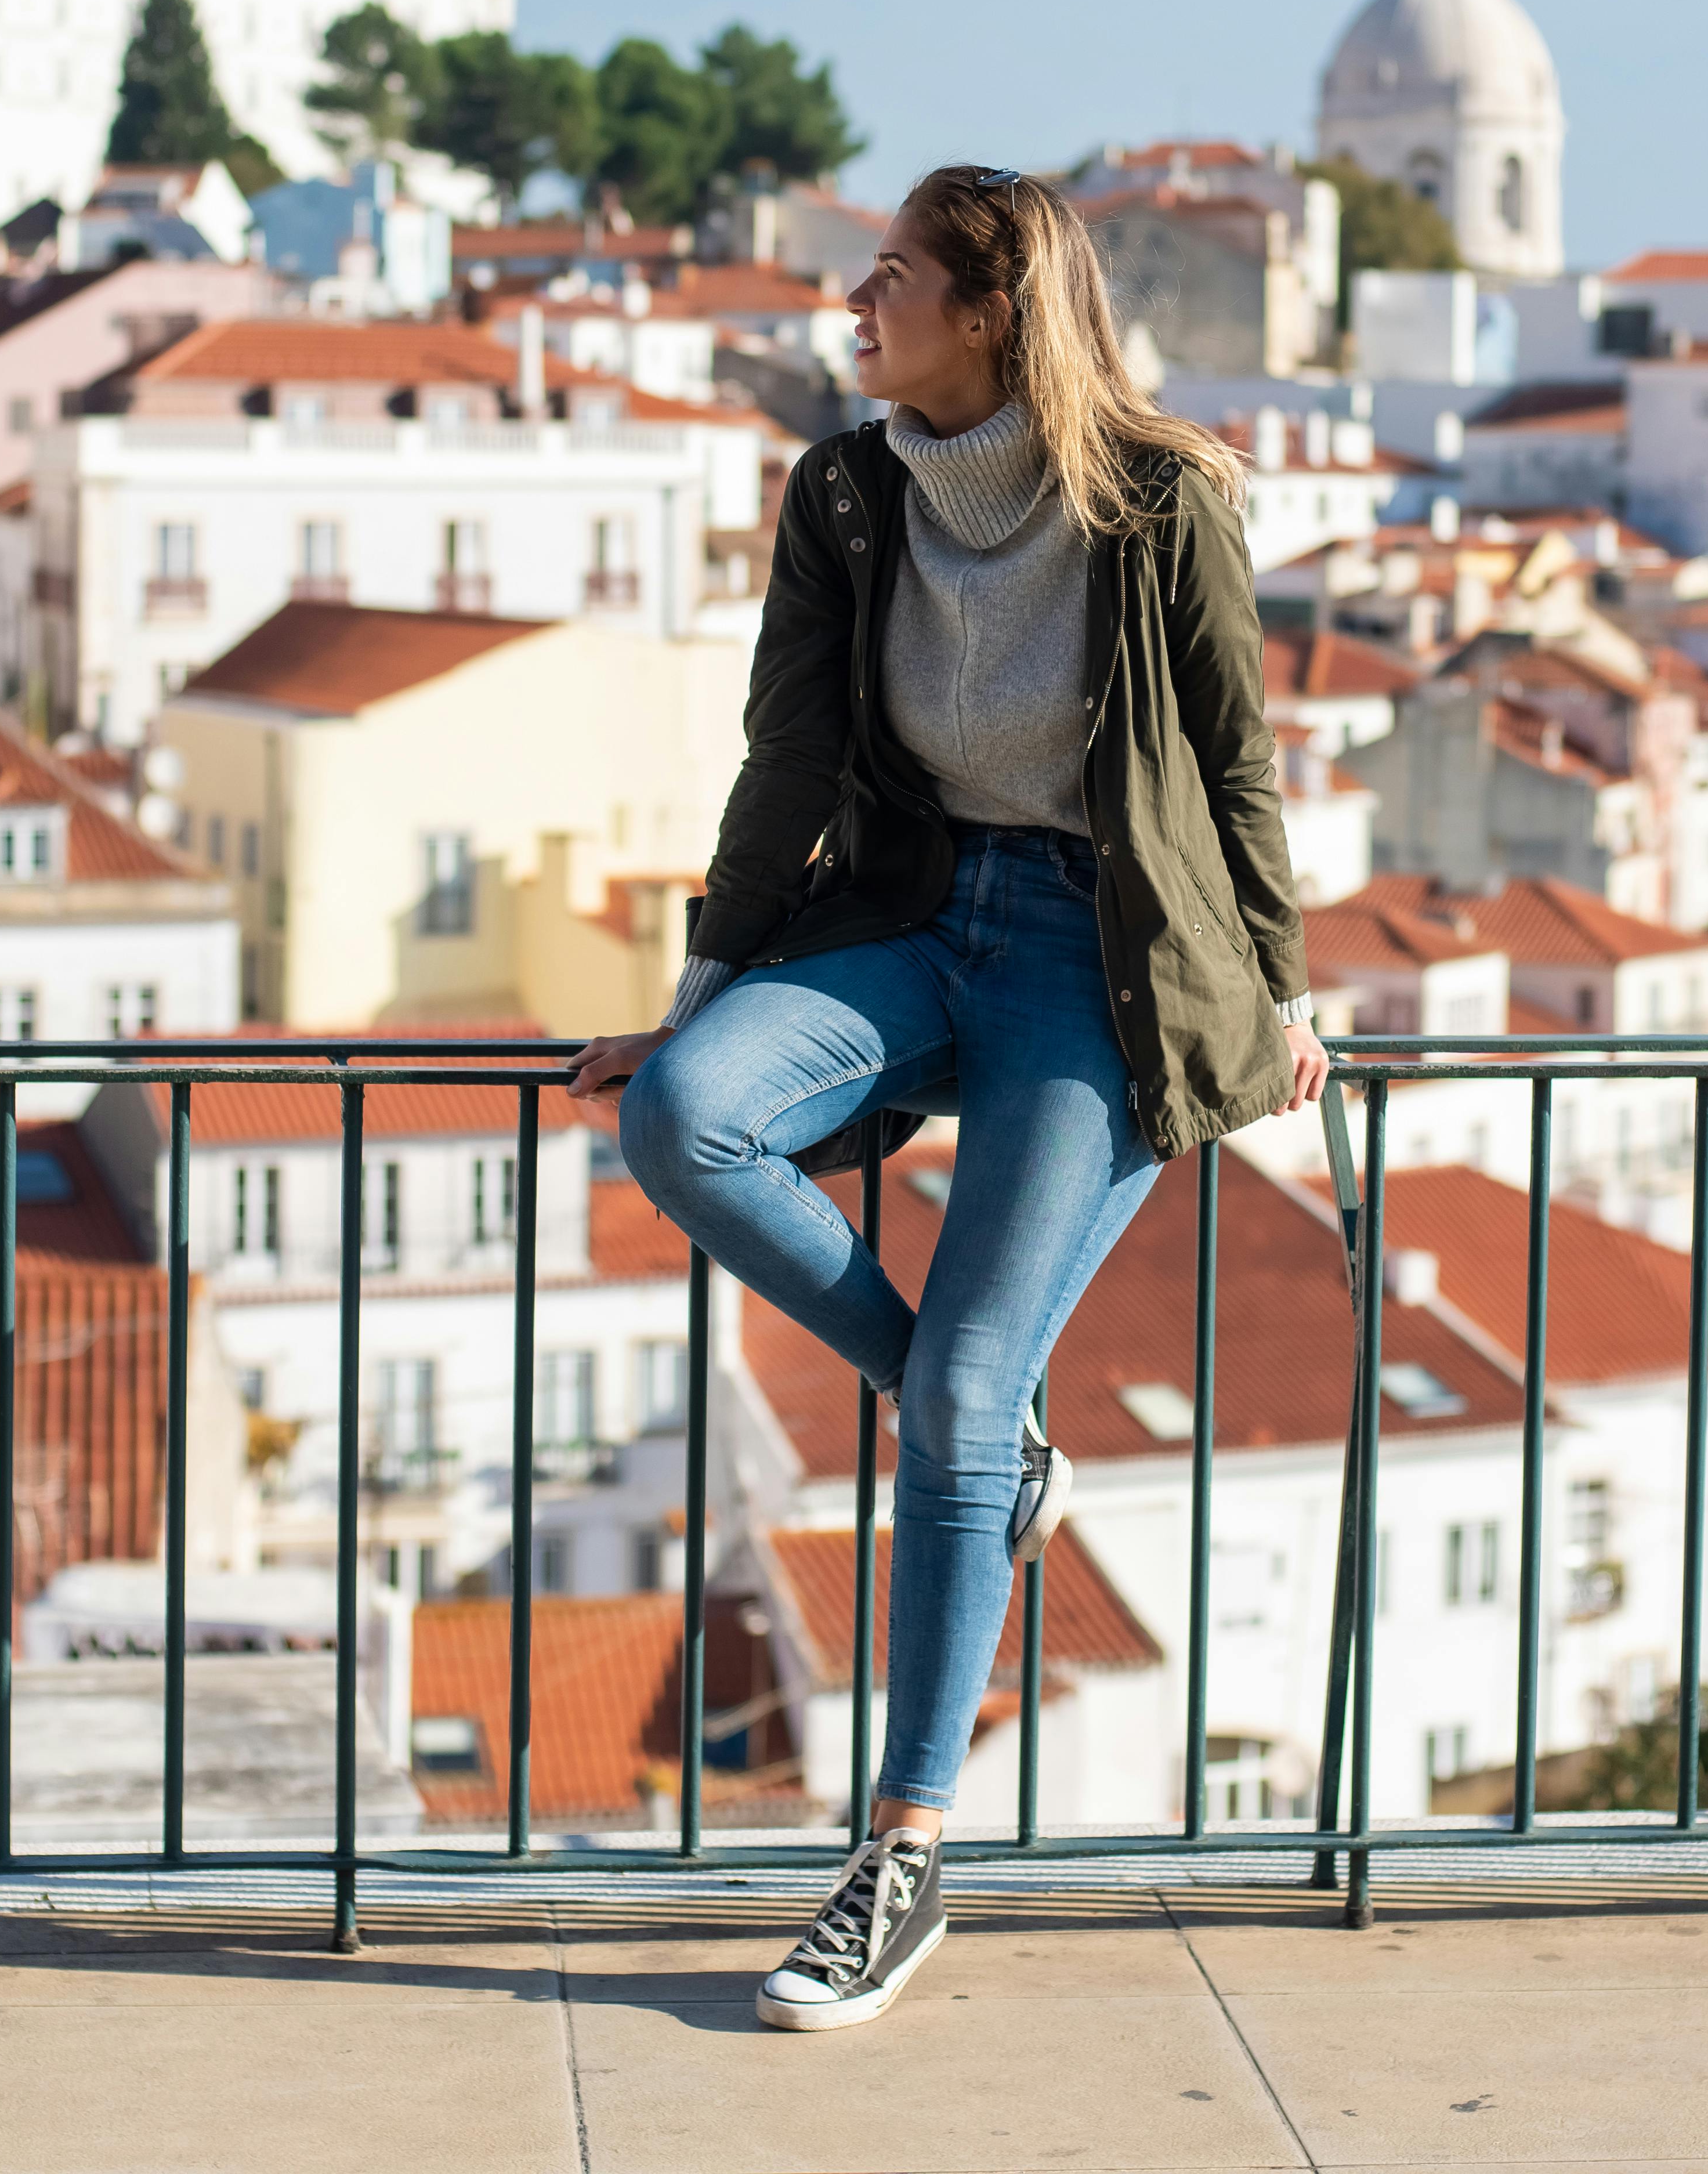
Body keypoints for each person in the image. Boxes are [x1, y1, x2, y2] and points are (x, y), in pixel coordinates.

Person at [570, 164, 1325, 2030]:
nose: (855, 301)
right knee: (686, 1116)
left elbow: (1235, 761)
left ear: (990, 315)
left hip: (1100, 952)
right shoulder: (846, 491)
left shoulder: (1161, 503)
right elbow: (790, 750)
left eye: (891, 278)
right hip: (916, 914)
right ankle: (973, 1437)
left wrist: (1284, 990)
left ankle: (896, 1859)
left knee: (981, 1388)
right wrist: (708, 996)